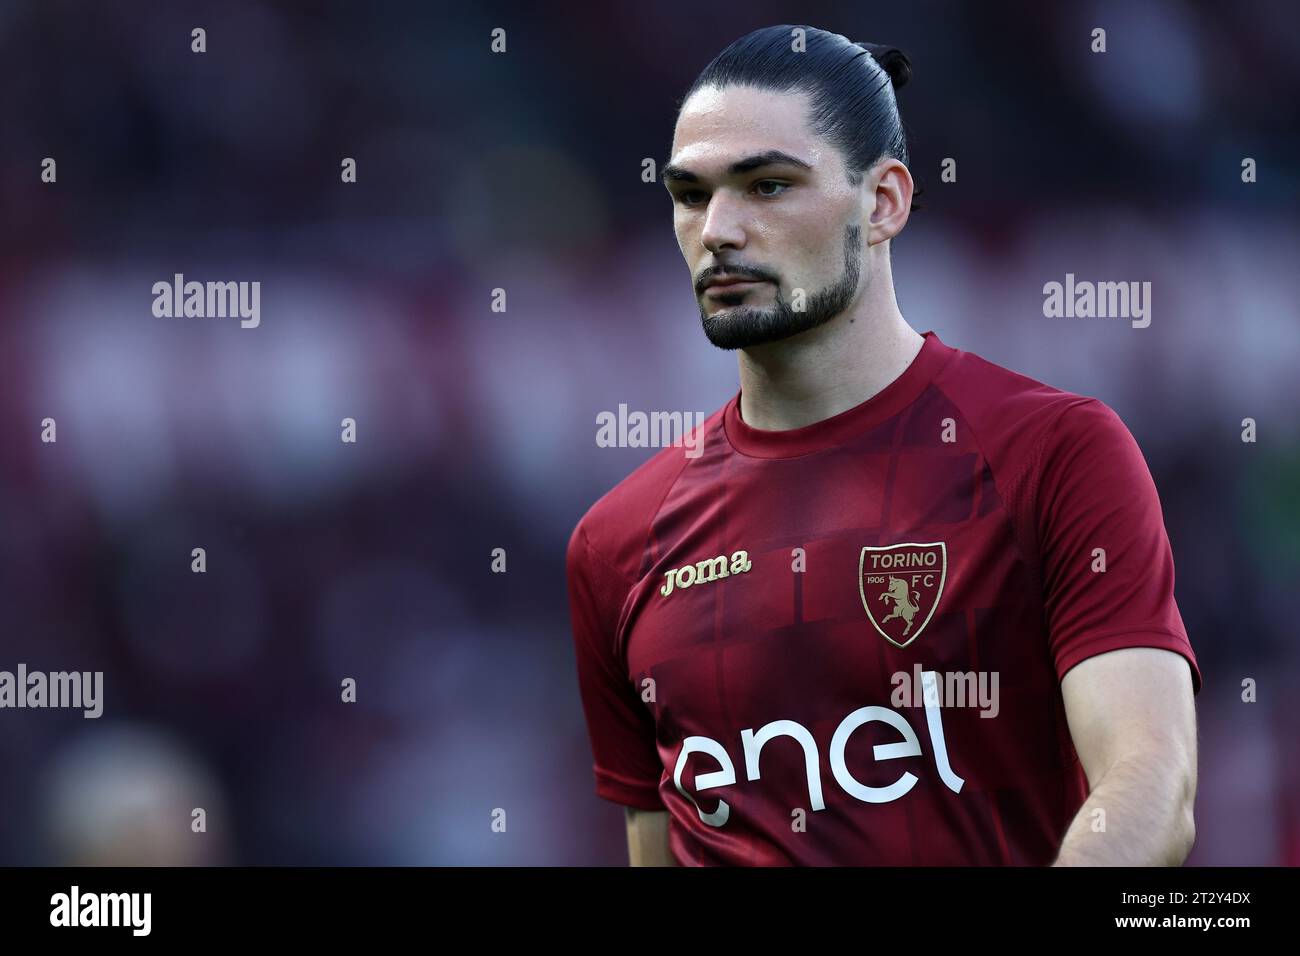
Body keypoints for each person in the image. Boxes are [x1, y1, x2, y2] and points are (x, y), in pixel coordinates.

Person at [566, 24, 1199, 866]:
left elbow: (1152, 783)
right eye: (691, 194)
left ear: (885, 202)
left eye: (767, 185)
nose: (718, 228)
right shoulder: (615, 544)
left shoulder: (1052, 452)